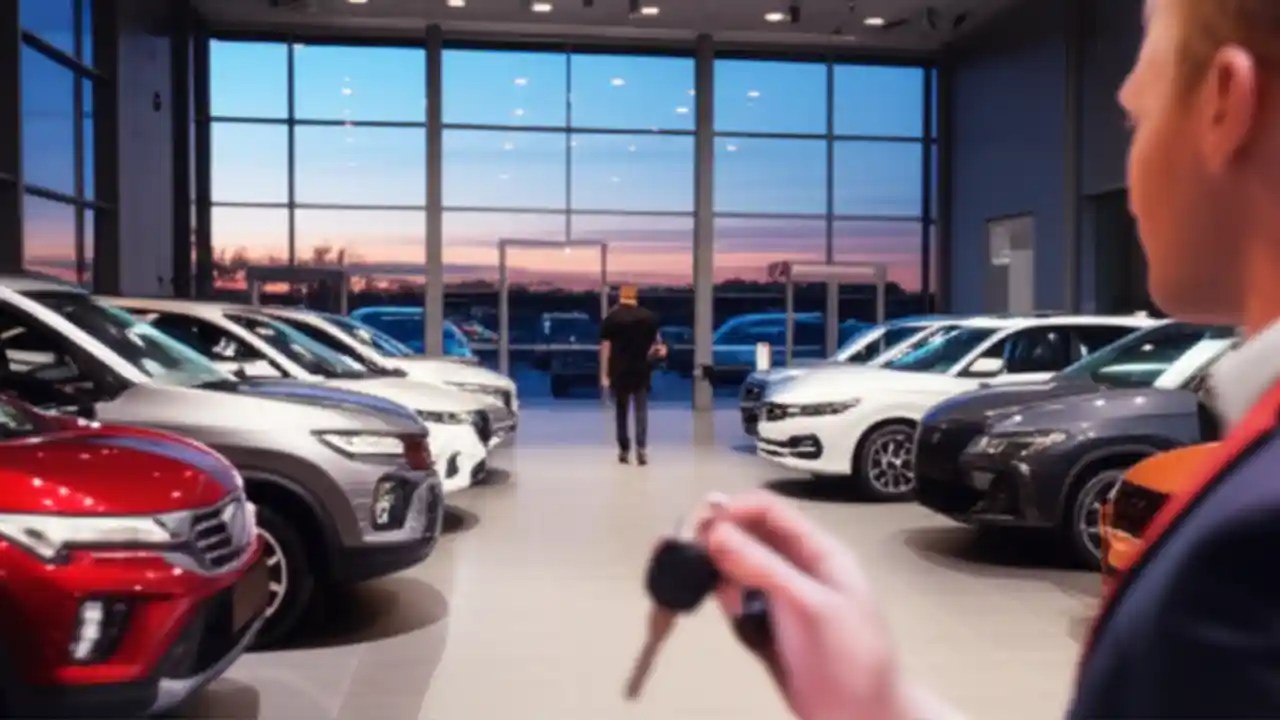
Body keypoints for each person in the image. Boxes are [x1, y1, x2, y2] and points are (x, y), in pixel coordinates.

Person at [696, 1, 1280, 717]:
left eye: (1134, 117)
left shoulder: (1250, 557)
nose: (1129, 172)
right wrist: (874, 700)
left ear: (1224, 105)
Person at [600, 286, 665, 466]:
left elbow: (606, 348)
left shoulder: (612, 318)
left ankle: (624, 450)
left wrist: (604, 374)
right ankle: (641, 448)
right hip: (641, 369)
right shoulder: (649, 317)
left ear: (621, 297)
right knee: (641, 411)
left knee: (621, 411)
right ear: (636, 297)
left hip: (619, 370)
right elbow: (658, 344)